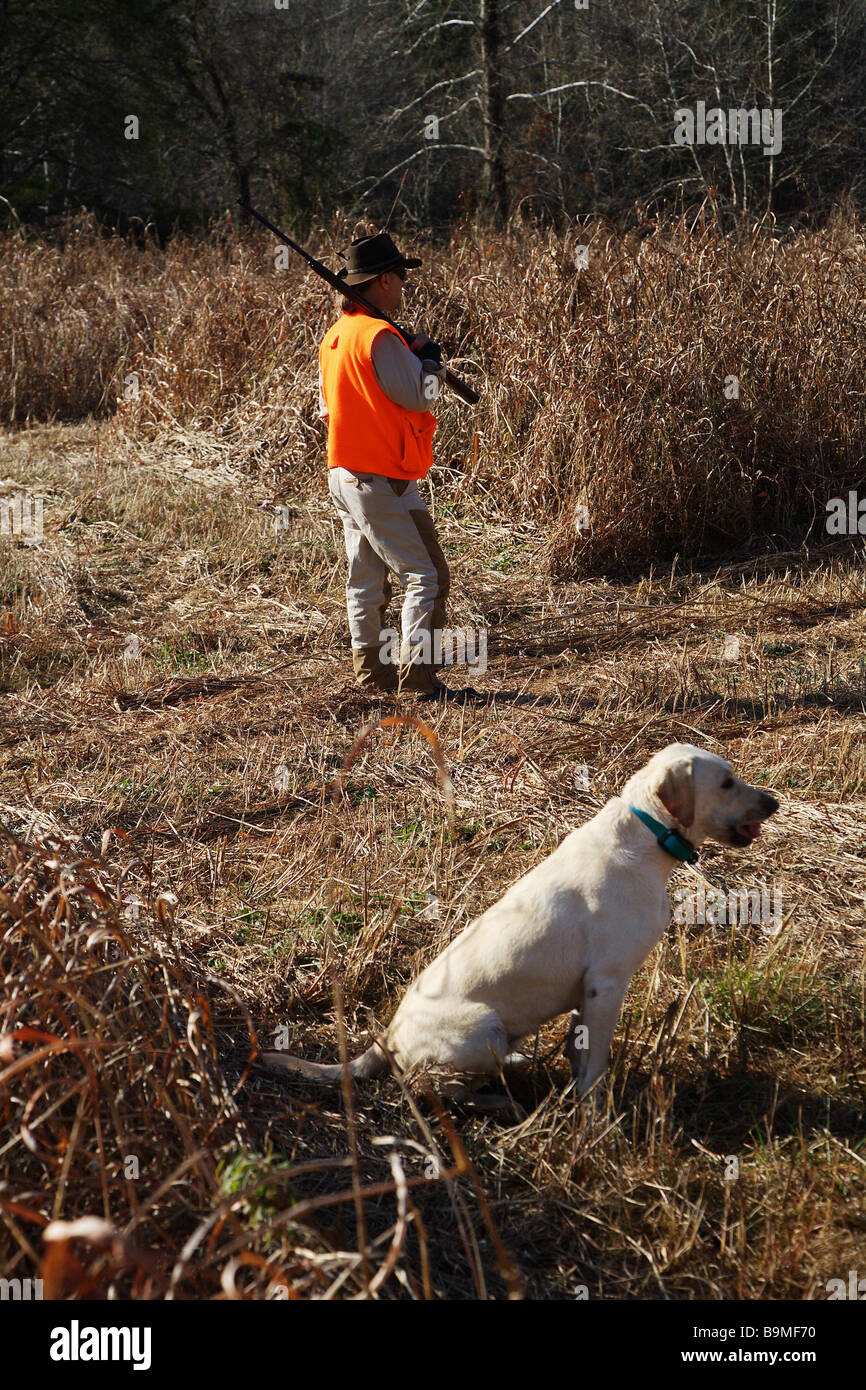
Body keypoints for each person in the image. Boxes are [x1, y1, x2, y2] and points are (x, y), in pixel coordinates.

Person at [318, 230, 479, 699]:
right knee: (424, 575)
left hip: (349, 472)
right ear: (384, 281)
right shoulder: (380, 336)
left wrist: (415, 359)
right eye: (401, 277)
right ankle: (419, 678)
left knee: (366, 577)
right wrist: (429, 360)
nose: (404, 286)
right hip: (379, 475)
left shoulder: (337, 336)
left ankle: (372, 674)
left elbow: (330, 406)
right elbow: (419, 396)